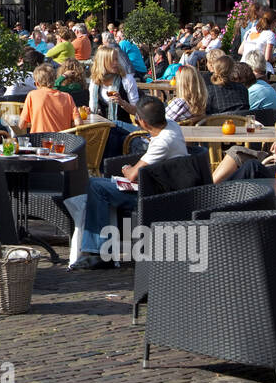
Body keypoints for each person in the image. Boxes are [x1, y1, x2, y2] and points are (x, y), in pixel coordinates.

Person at [65, 97, 188, 270]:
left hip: (155, 196)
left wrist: (126, 168)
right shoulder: (171, 126)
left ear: (143, 122)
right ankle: (99, 247)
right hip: (161, 185)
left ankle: (99, 253)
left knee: (96, 187)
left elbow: (132, 175)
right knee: (97, 184)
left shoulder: (163, 141)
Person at [19, 63, 77, 133]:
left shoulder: (32, 95)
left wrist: (37, 123)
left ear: (37, 84)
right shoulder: (67, 97)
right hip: (63, 141)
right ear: (54, 80)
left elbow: (21, 125)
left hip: (39, 141)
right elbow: (78, 123)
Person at [239, 7, 276, 73]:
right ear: (274, 22)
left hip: (244, 66)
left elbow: (240, 51)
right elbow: (267, 58)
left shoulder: (250, 31)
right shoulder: (270, 34)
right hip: (257, 68)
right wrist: (274, 58)